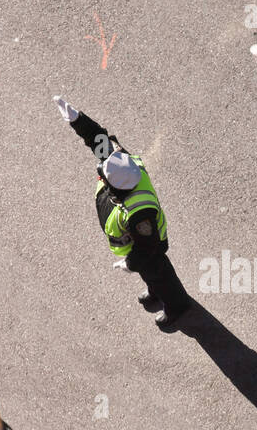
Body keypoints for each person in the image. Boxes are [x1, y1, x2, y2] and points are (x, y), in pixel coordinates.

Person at [54, 97, 193, 330]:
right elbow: (97, 138)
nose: (102, 169)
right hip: (139, 245)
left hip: (151, 247)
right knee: (152, 275)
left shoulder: (140, 214)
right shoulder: (119, 161)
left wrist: (131, 262)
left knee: (158, 272)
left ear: (119, 189)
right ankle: (155, 290)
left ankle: (177, 305)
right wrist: (77, 119)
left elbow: (146, 248)